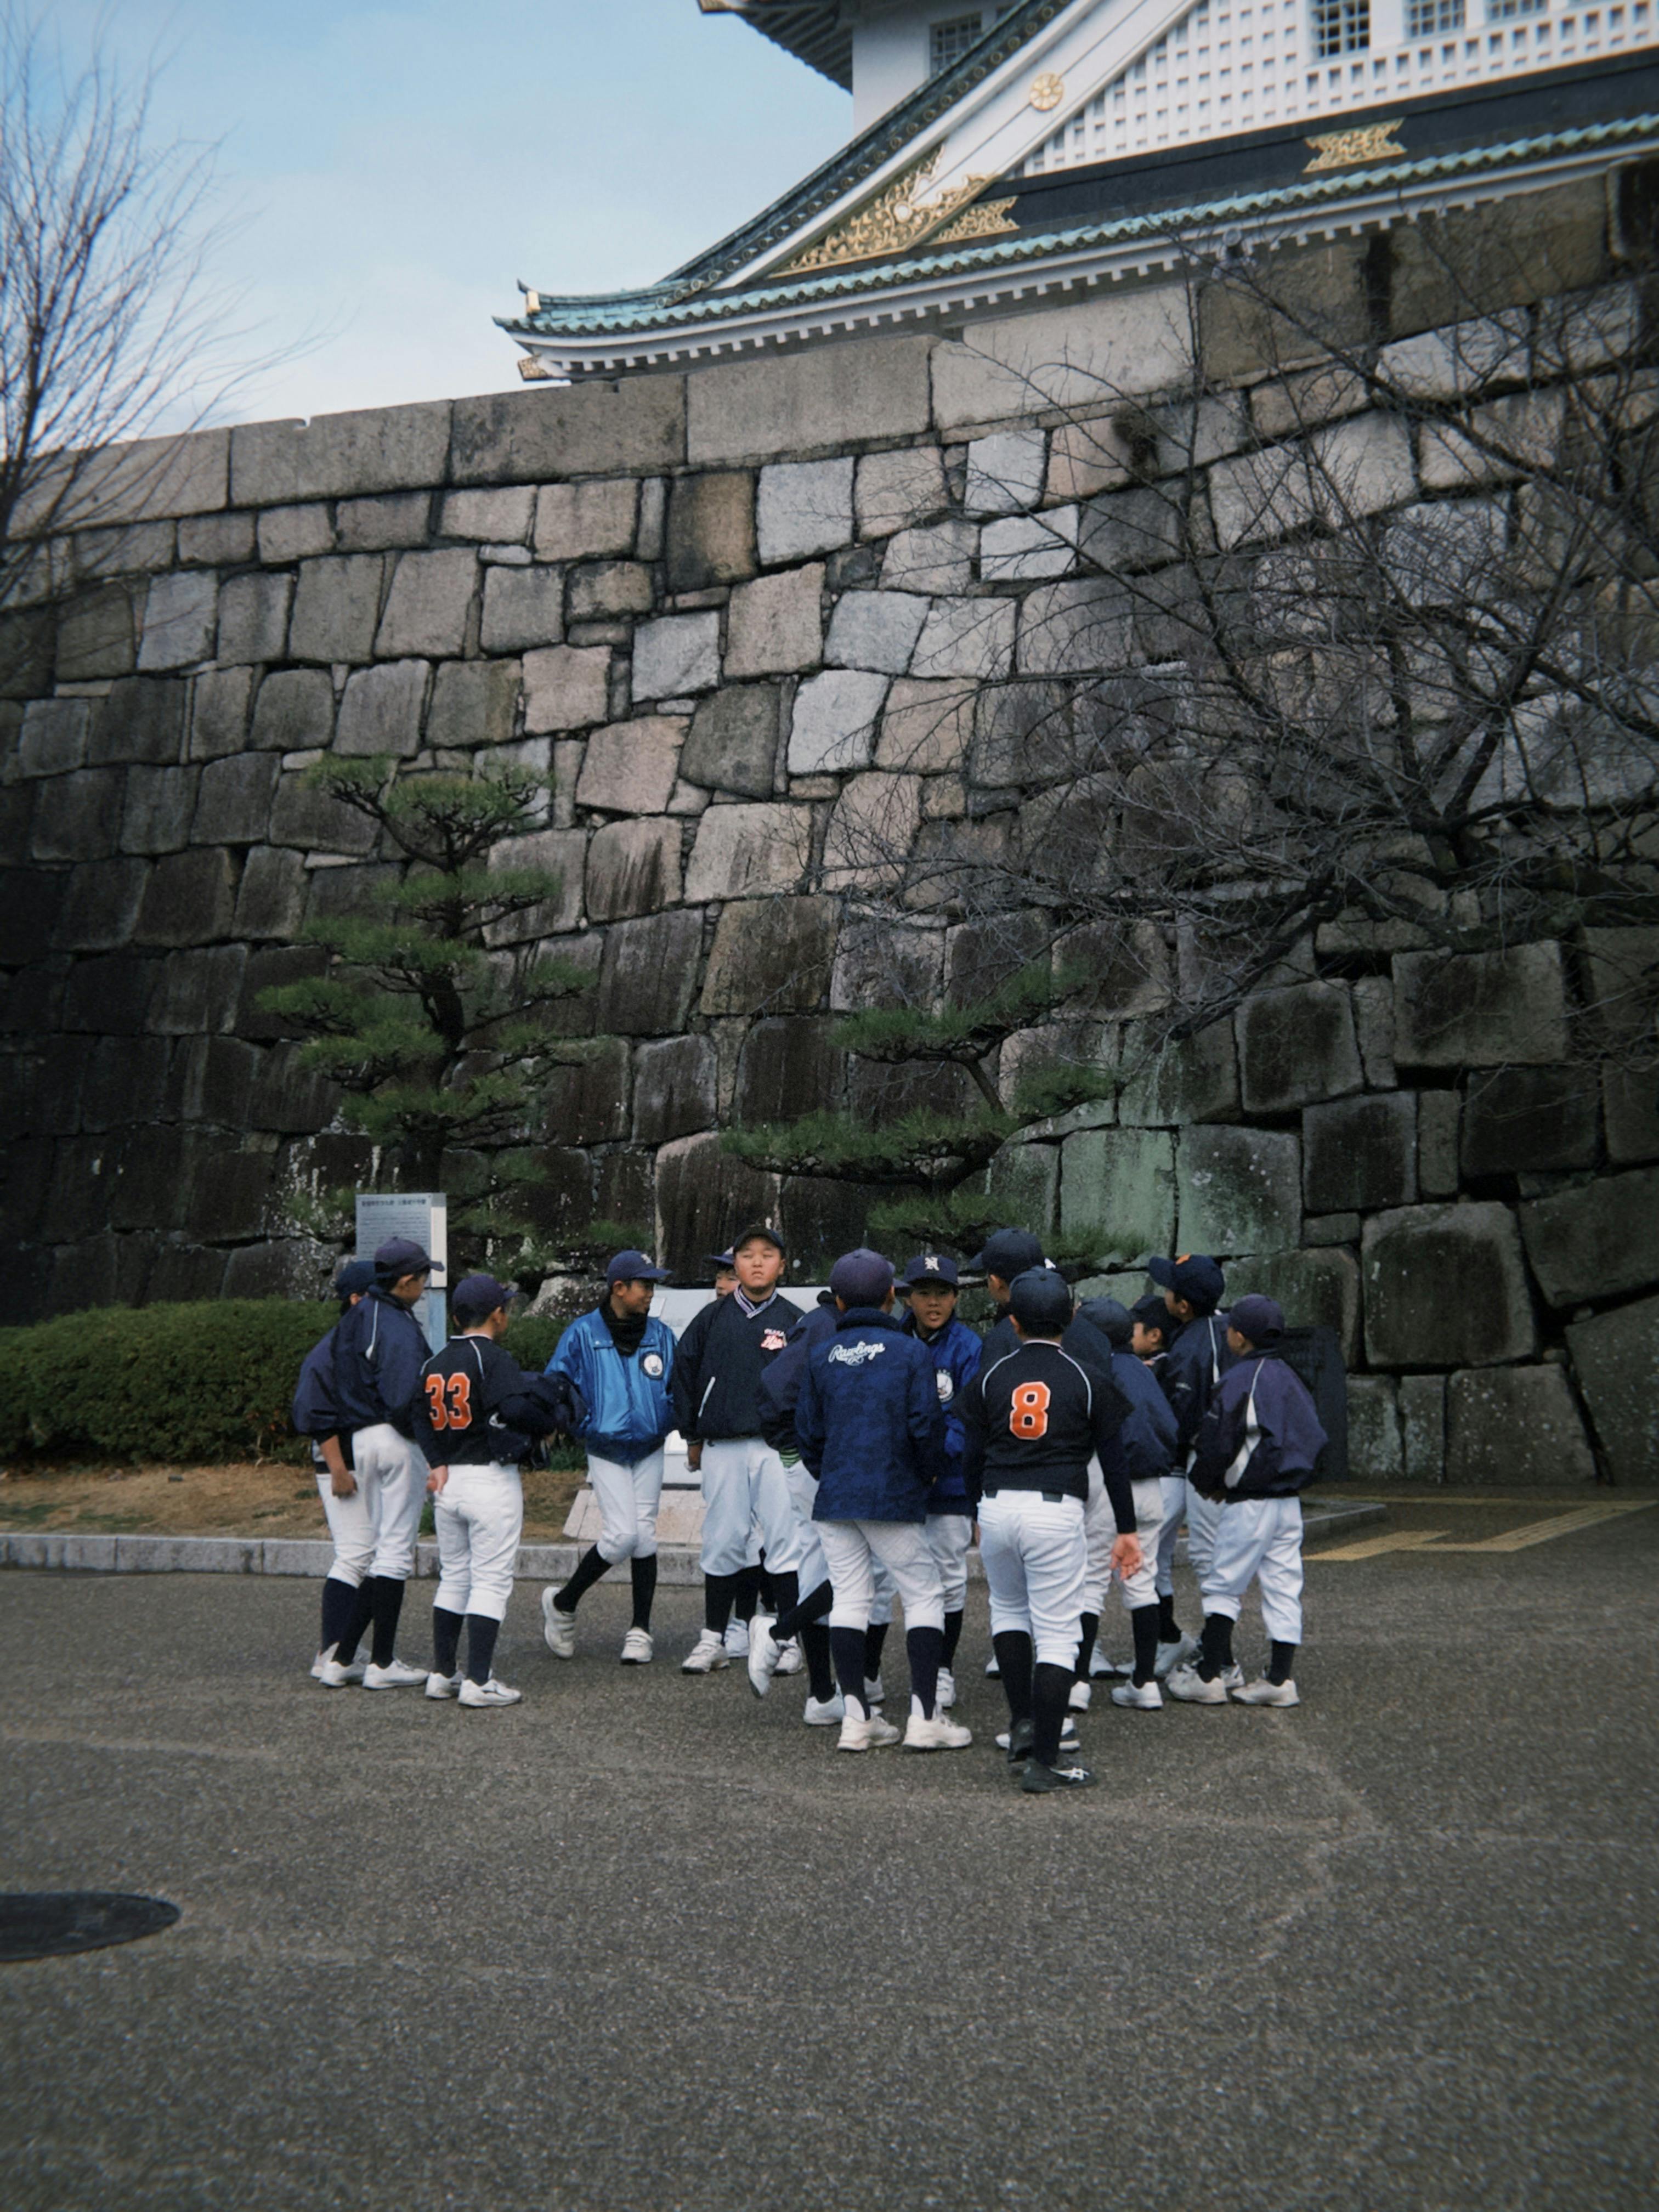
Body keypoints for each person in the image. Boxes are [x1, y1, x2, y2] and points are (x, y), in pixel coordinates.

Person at [783, 1248, 969, 1754]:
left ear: (838, 1301)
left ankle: (856, 1719)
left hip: (836, 1496)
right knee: (923, 1594)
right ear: (892, 1296)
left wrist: (834, 1474)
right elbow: (925, 1427)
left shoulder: (822, 1354)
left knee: (849, 1598)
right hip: (892, 1492)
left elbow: (807, 1433)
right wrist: (921, 1475)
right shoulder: (911, 1353)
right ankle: (925, 1717)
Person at [961, 1269, 1136, 1794]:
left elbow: (971, 1452)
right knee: (1058, 1632)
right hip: (1055, 1507)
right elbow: (1114, 1460)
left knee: (1009, 1612)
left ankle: (1021, 1724)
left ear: (1012, 1321)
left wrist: (977, 1507)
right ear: (1071, 1317)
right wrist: (1126, 1528)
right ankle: (1046, 1759)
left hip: (996, 1504)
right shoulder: (1086, 1376)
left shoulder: (992, 1373)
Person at [415, 1275, 582, 1708]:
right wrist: (549, 1425)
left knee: (455, 1575)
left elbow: (415, 1418)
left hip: (449, 1482)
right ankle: (479, 1681)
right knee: (490, 1580)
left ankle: (442, 1673)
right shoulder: (492, 1356)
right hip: (489, 1480)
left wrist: (436, 1463)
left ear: (455, 1315)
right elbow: (513, 1408)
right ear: (497, 1314)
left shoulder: (434, 1362)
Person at [1167, 1295, 1326, 1709]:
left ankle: (1206, 1676)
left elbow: (1218, 1442)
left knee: (1223, 1584)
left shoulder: (1242, 1378)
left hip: (1249, 1499)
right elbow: (1315, 1438)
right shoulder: (1290, 1376)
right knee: (1283, 1585)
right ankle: (1278, 1678)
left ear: (1238, 1335)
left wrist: (1207, 1481)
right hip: (1287, 1501)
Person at [669, 1225, 805, 1673]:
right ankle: (714, 1638)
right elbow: (684, 1376)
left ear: (782, 1265)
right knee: (724, 1538)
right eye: (747, 1255)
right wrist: (691, 1435)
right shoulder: (711, 1319)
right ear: (735, 1265)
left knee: (785, 1541)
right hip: (723, 1445)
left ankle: (788, 1639)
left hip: (776, 1449)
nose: (757, 1262)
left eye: (767, 1254)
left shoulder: (795, 1321)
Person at [539, 1251, 677, 1665]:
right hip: (606, 1448)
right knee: (622, 1536)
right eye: (644, 1285)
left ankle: (640, 1630)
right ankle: (563, 1602)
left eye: (653, 1285)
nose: (651, 1292)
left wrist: (670, 1419)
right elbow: (556, 1383)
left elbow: (676, 1383)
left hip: (650, 1445)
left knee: (645, 1535)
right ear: (619, 1288)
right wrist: (579, 1423)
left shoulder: (661, 1334)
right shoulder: (582, 1332)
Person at [314, 1237, 435, 1691]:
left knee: (379, 1551)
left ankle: (341, 1656)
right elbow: (406, 1397)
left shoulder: (358, 1315)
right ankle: (382, 1662)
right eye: (422, 1278)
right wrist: (429, 1444)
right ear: (404, 1281)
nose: (424, 1285)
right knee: (394, 1553)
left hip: (358, 1440)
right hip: (393, 1437)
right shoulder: (399, 1324)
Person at [1078, 1300, 1183, 1713]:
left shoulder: (1097, 1372)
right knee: (1142, 1579)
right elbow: (1170, 1427)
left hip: (1108, 1483)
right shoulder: (1143, 1371)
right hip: (1153, 1486)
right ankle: (1144, 1681)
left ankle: (1076, 1682)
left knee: (1089, 1582)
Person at [1148, 1252, 1238, 1681]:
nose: (1164, 1292)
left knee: (1208, 1558)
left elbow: (1179, 1414)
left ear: (1182, 1305)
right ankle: (1212, 1652)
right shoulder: (1229, 1328)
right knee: (1218, 1558)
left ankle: (1219, 1663)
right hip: (1237, 1458)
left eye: (1169, 1288)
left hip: (1206, 1462)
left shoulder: (1188, 1343)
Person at [898, 1254, 981, 1708]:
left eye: (942, 1293)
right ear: (907, 1296)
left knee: (948, 1577)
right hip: (898, 1482)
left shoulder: (968, 1346)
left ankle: (942, 1670)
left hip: (947, 1484)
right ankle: (877, 1671)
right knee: (892, 1579)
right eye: (924, 1293)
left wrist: (929, 1458)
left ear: (956, 1296)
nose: (933, 1302)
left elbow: (967, 1418)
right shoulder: (892, 1339)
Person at [293, 1259, 377, 1683]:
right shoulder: (330, 1350)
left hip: (361, 1459)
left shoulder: (362, 1341)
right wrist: (338, 1468)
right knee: (356, 1553)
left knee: (369, 1553)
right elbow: (314, 1412)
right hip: (339, 1462)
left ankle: (344, 1648)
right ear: (357, 1299)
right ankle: (330, 1652)